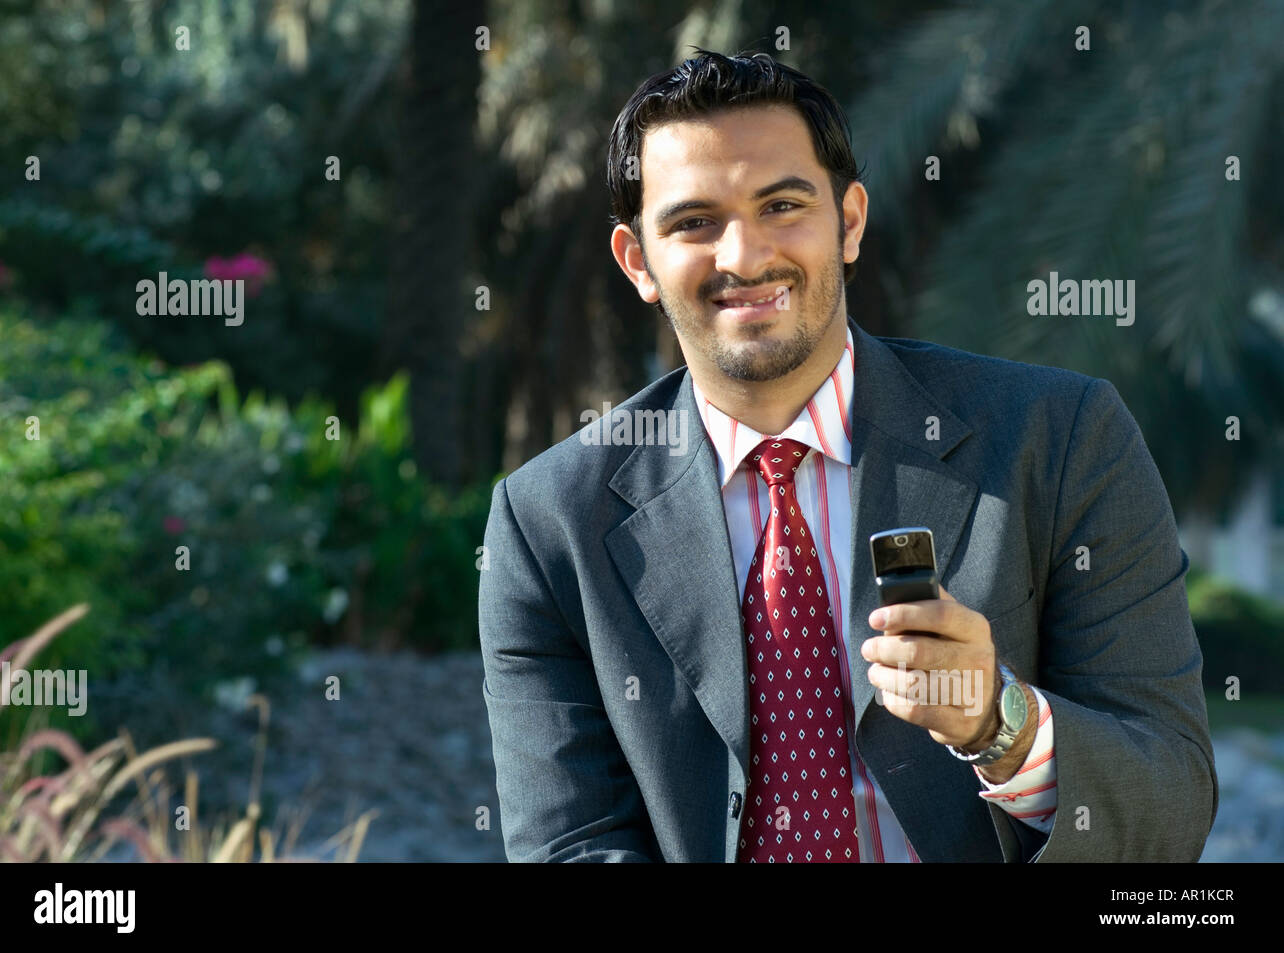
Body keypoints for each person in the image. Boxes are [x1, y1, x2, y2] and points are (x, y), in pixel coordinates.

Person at [477, 49, 1217, 862]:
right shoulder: (548, 524)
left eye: (782, 204)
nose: (744, 257)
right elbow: (570, 843)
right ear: (636, 261)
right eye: (694, 222)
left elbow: (1171, 801)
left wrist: (997, 723)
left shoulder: (1062, 438)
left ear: (851, 221)